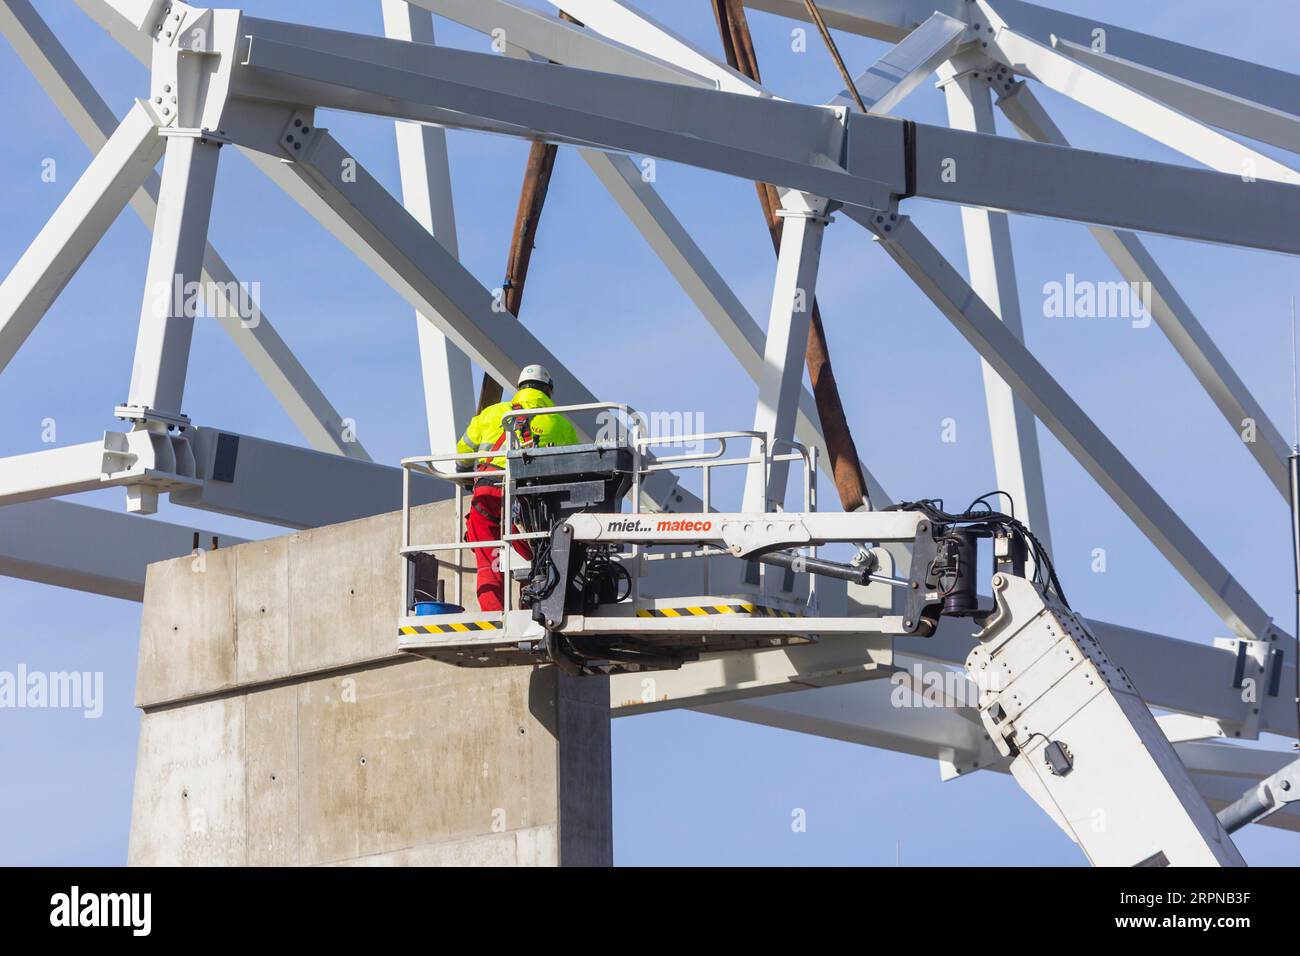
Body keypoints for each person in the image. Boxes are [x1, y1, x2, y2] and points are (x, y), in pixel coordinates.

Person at [456, 364, 579, 612]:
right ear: (548, 392)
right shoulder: (561, 423)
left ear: (520, 388)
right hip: (532, 503)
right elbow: (574, 469)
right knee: (538, 556)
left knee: (489, 559)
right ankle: (532, 609)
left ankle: (493, 615)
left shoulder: (492, 414)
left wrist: (468, 477)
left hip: (489, 494)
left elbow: (462, 458)